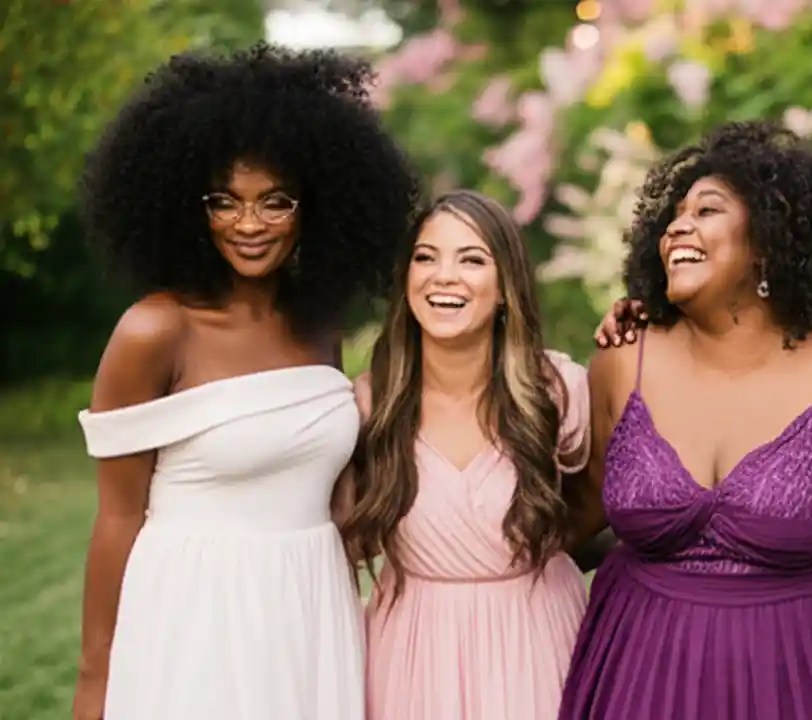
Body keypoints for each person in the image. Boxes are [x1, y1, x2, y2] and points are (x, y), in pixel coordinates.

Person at [73, 44, 415, 720]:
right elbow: (116, 519)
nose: (249, 224)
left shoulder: (319, 328)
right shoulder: (154, 331)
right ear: (188, 206)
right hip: (198, 614)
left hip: (310, 605)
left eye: (275, 202)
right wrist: (95, 680)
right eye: (224, 202)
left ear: (313, 206)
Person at [559, 121, 812, 720]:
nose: (677, 226)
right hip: (641, 675)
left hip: (810, 679)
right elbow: (571, 523)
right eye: (674, 216)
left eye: (706, 210)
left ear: (771, 239)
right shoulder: (624, 362)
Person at [344, 190, 591, 720]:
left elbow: (607, 512)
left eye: (472, 260)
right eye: (426, 257)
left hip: (536, 644)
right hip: (412, 655)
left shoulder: (558, 394)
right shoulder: (371, 405)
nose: (444, 276)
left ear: (506, 288)